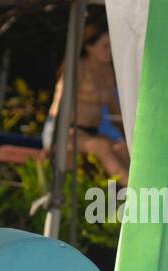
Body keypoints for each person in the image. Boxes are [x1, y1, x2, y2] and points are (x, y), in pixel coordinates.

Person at [42, 24, 130, 184]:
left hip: (90, 133)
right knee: (102, 147)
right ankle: (135, 194)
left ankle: (141, 189)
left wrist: (129, 137)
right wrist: (57, 135)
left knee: (123, 148)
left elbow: (115, 111)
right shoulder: (78, 68)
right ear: (89, 47)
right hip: (64, 131)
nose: (110, 51)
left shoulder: (108, 72)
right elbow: (60, 104)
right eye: (105, 46)